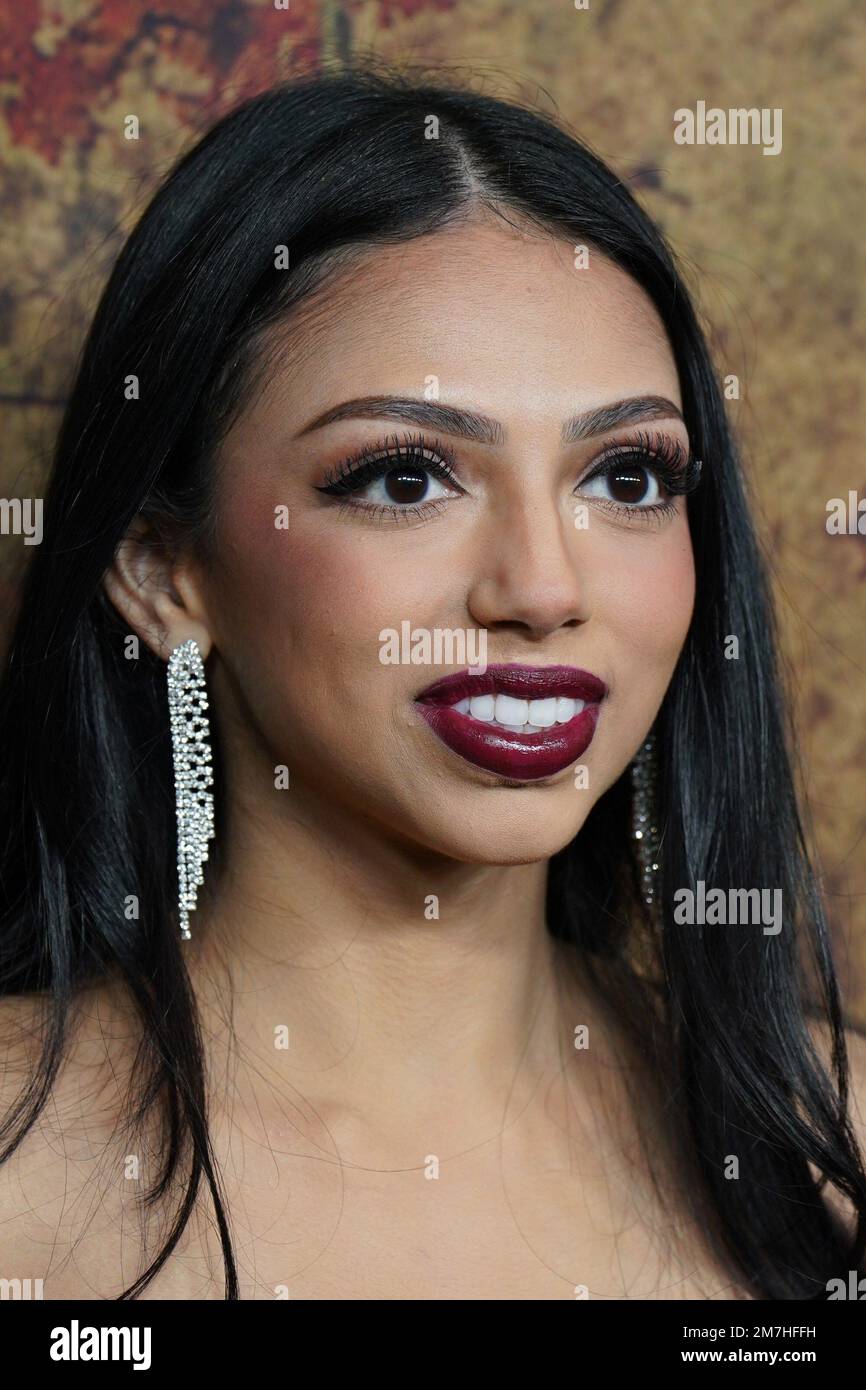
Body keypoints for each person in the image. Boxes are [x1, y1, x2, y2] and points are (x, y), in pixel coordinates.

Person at [1, 63, 864, 1301]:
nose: (542, 586)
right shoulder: (19, 1179)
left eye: (623, 478)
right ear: (161, 571)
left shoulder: (832, 1146)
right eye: (405, 478)